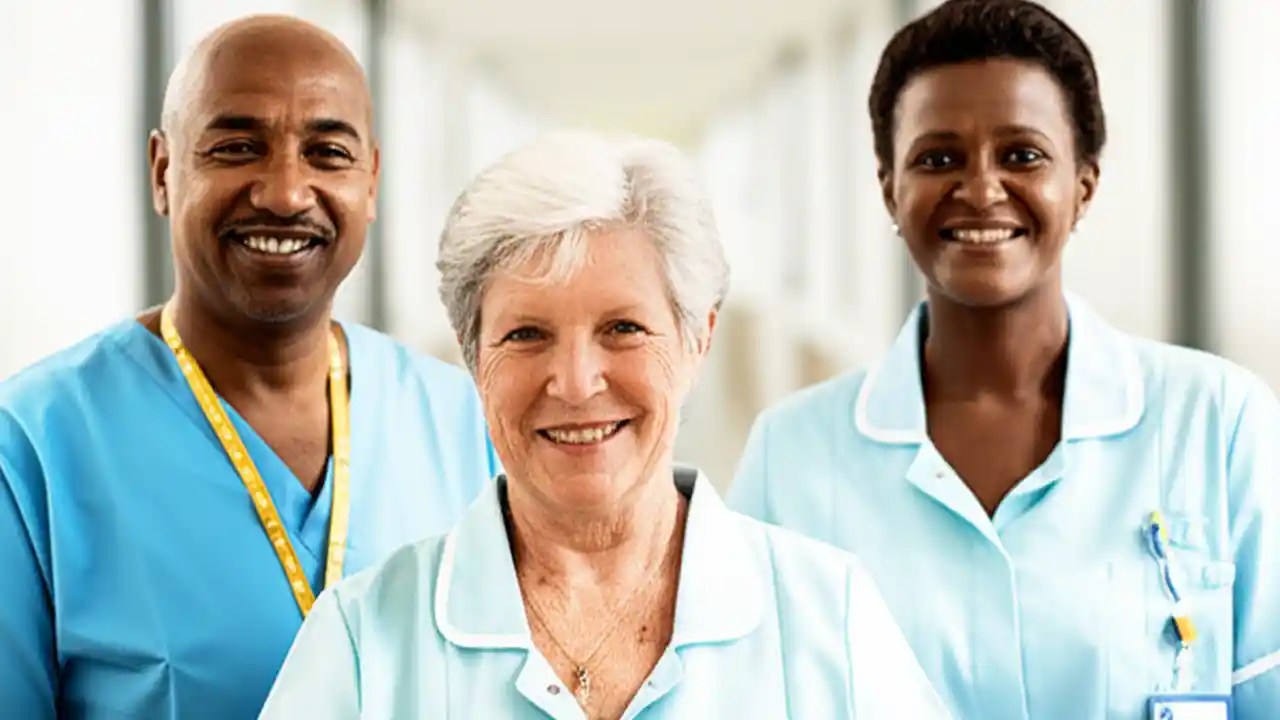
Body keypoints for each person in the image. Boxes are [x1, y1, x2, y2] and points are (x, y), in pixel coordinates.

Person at [257, 131, 951, 719]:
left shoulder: (831, 618)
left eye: (623, 328)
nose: (577, 382)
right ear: (472, 356)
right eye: (527, 334)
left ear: (697, 339)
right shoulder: (361, 644)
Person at [728, 1, 1279, 718]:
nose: (981, 189)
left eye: (1022, 154)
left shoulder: (1218, 422)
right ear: (890, 188)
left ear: (1083, 183)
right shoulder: (792, 457)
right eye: (938, 158)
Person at [0, 15, 498, 719]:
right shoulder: (34, 445)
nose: (287, 193)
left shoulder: (462, 422)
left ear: (372, 181)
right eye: (237, 147)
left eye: (327, 152)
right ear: (163, 172)